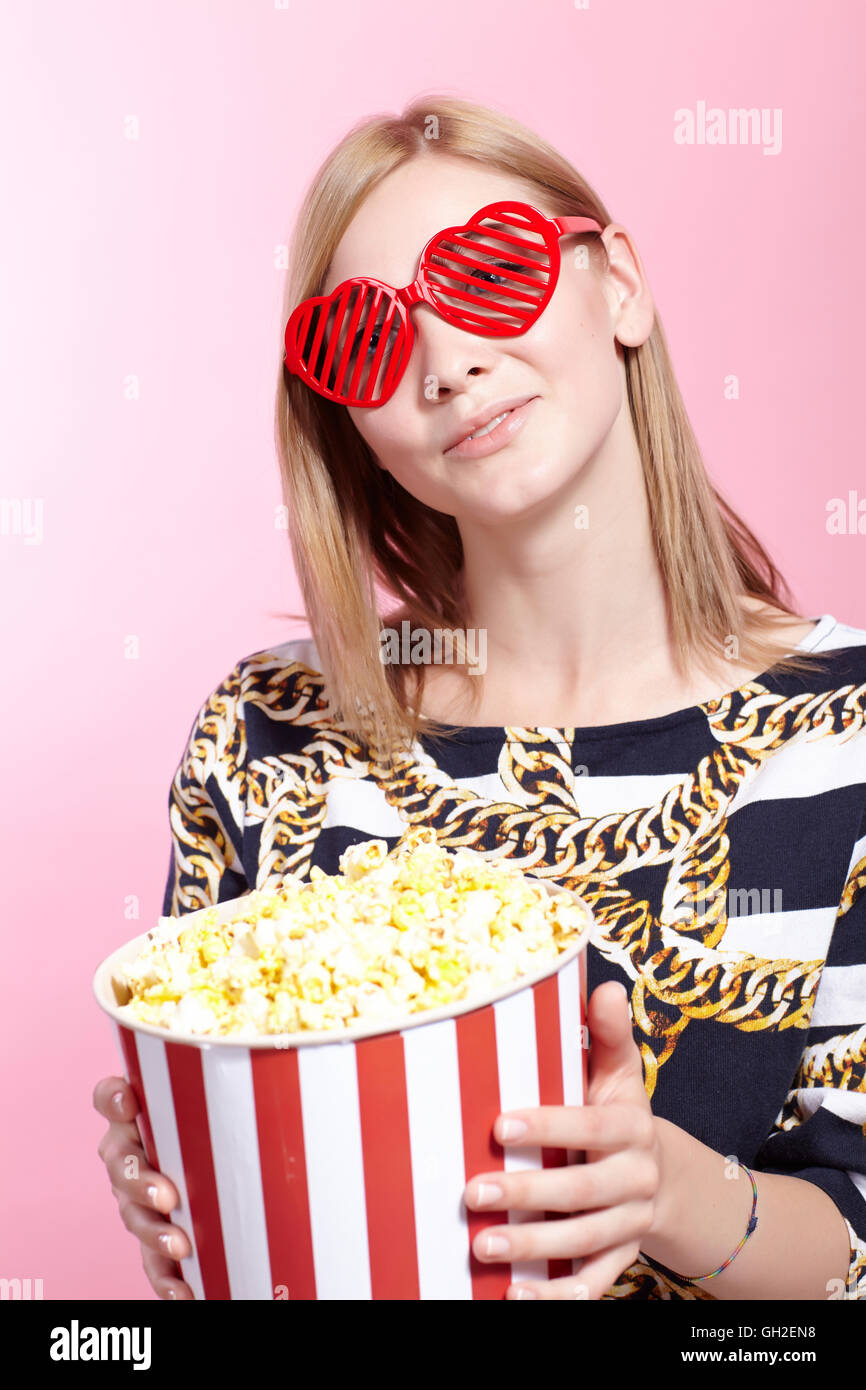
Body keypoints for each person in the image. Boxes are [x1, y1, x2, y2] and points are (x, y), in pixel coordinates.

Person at [94, 96, 866, 1301]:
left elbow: (856, 1230)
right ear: (349, 423)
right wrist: (196, 1190)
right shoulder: (269, 738)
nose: (444, 360)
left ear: (616, 284)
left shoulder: (844, 737)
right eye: (364, 337)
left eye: (491, 269)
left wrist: (665, 1190)